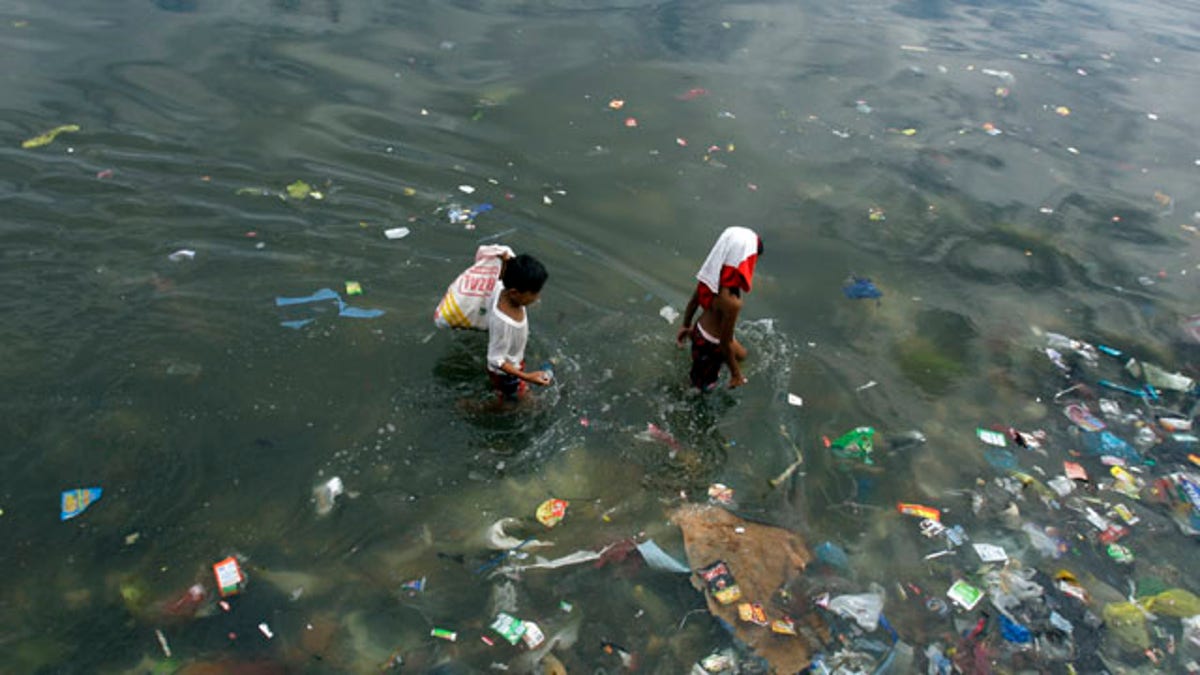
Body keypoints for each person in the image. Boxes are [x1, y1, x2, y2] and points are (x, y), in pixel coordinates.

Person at [675, 227, 762, 391]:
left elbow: (693, 302)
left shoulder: (711, 276)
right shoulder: (732, 302)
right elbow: (724, 342)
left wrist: (686, 325)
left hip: (700, 329)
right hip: (711, 346)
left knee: (742, 355)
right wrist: (735, 374)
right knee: (700, 389)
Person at [487, 253, 552, 401]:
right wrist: (526, 377)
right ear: (514, 293)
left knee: (517, 397)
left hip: (515, 360)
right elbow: (495, 360)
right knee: (514, 403)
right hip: (505, 375)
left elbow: (501, 277)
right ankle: (474, 407)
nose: (537, 297)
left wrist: (505, 262)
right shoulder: (504, 323)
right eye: (533, 293)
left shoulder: (501, 288)